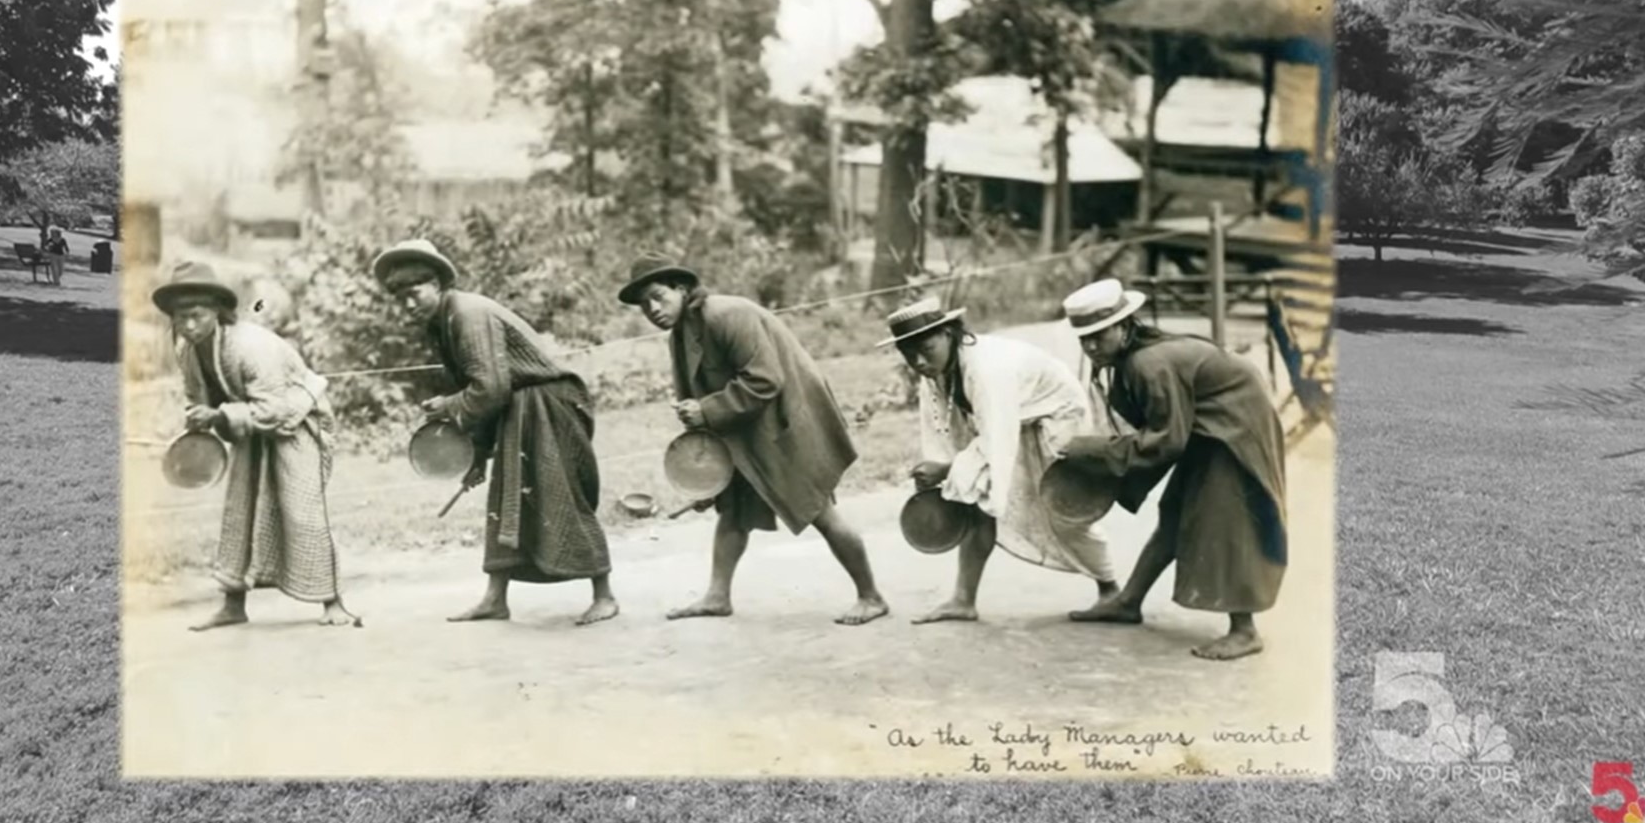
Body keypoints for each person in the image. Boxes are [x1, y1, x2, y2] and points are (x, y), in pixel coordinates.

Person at [619, 253, 889, 626]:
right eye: (643, 305)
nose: (652, 309)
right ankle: (716, 597)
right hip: (742, 431)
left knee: (818, 510)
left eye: (657, 296)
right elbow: (693, 405)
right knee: (733, 512)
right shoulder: (680, 337)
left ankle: (871, 596)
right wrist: (705, 474)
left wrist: (707, 410)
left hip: (784, 424)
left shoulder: (727, 315)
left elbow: (765, 379)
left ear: (681, 288)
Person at [374, 238, 618, 626]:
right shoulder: (444, 322)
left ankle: (604, 595)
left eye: (414, 292)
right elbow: (489, 388)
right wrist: (478, 455)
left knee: (561, 494)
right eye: (399, 297)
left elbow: (489, 389)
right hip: (518, 406)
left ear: (437, 284)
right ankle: (495, 598)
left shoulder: (468, 314)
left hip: (549, 403)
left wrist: (449, 406)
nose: (407, 304)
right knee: (506, 498)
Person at [1057, 278, 1288, 661]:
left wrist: (1093, 451)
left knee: (1226, 519)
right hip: (1209, 423)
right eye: (1084, 338)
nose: (1092, 345)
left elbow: (1165, 441)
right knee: (1175, 512)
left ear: (1124, 325)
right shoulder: (1131, 359)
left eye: (1100, 334)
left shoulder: (1149, 364)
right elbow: (1164, 434)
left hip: (1235, 426)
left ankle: (1245, 631)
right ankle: (1128, 602)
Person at [881, 296, 1119, 624]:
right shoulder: (934, 372)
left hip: (1056, 413)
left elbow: (997, 440)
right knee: (976, 497)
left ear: (949, 333)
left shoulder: (985, 368)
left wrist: (951, 469)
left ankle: (1112, 591)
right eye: (910, 355)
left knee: (1061, 506)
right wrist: (943, 473)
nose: (920, 361)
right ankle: (963, 600)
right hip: (1012, 419)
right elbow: (940, 430)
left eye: (926, 349)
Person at [154, 260, 359, 631]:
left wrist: (217, 417)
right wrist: (198, 418)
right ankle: (233, 603)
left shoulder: (251, 346)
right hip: (251, 422)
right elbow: (195, 397)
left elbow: (277, 409)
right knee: (239, 509)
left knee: (302, 508)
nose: (187, 325)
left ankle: (334, 603)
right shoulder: (189, 351)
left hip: (297, 421)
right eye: (180, 318)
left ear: (217, 311)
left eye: (196, 315)